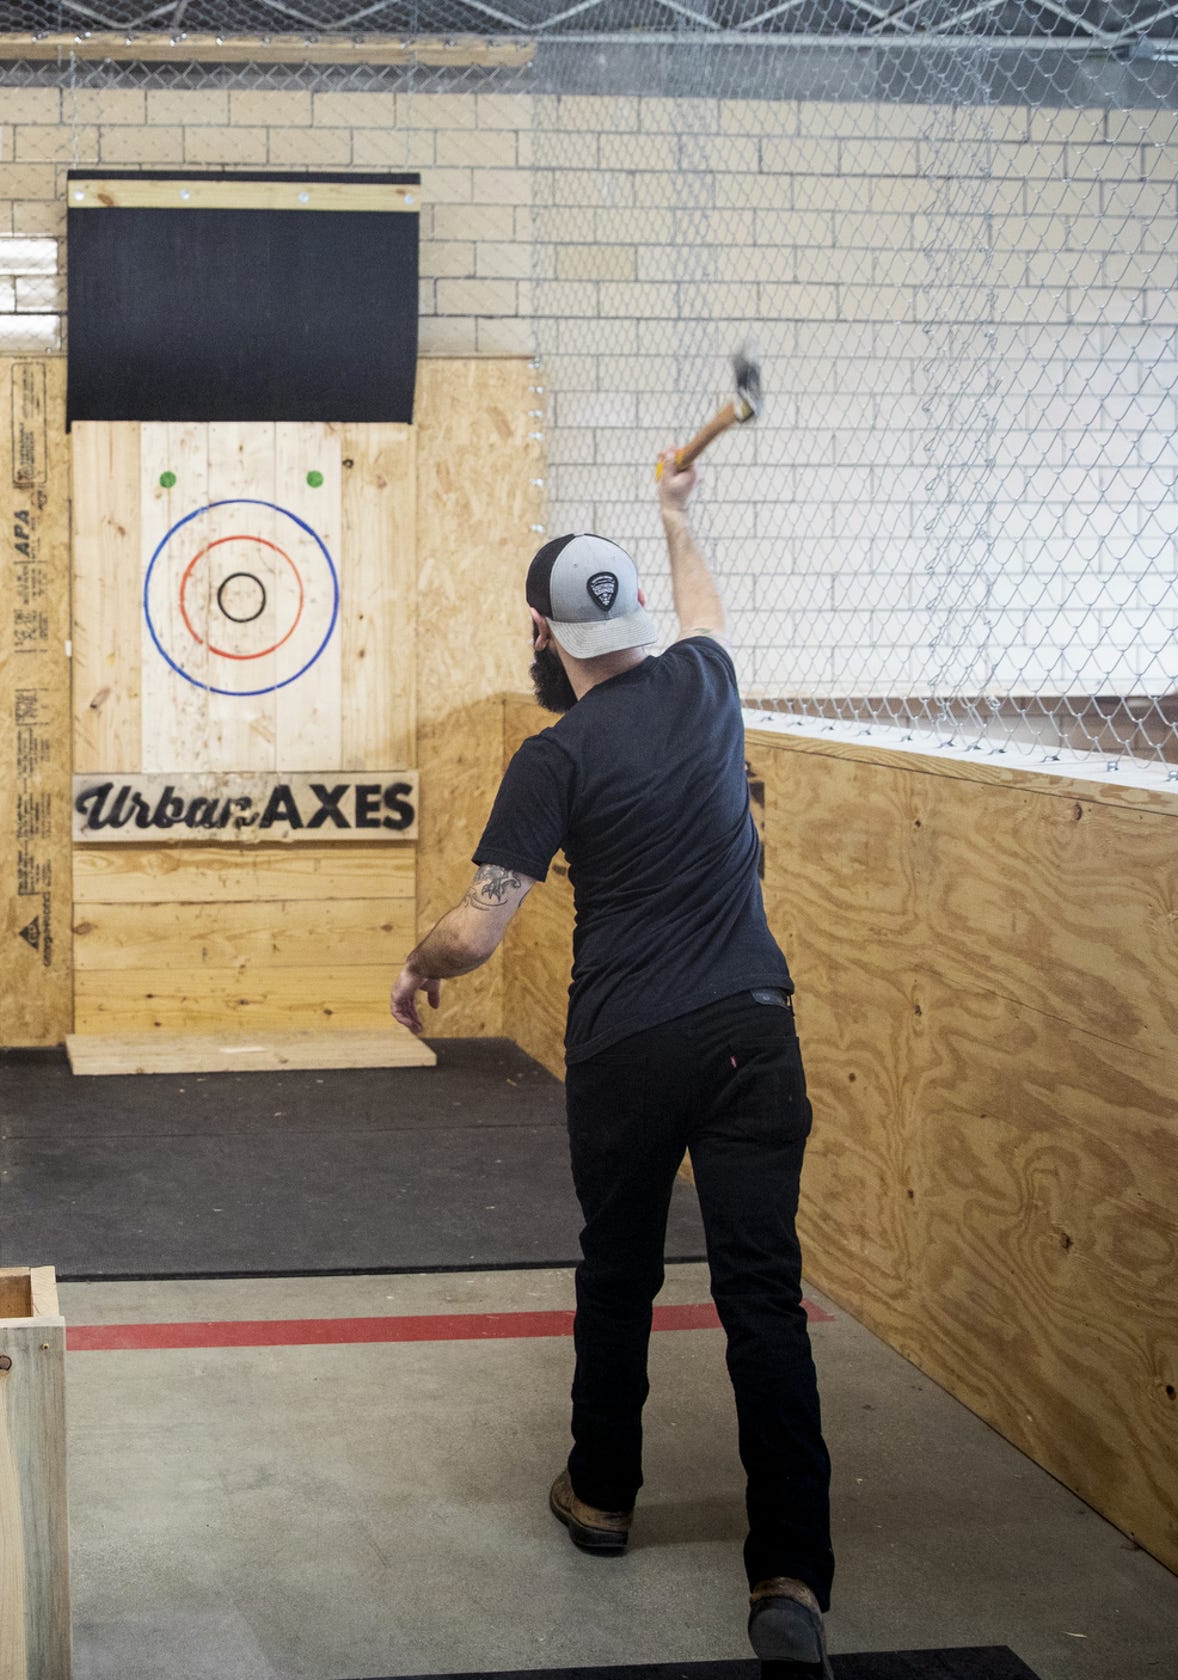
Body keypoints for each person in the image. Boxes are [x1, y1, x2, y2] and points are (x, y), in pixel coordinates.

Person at [389, 459, 833, 1676]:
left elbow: (480, 926)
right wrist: (678, 514)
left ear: (541, 633)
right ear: (628, 614)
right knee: (762, 1301)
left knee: (618, 1275)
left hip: (630, 1047)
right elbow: (708, 614)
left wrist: (417, 968)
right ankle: (788, 1571)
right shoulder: (705, 682)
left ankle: (601, 1496)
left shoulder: (555, 757)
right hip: (752, 1029)